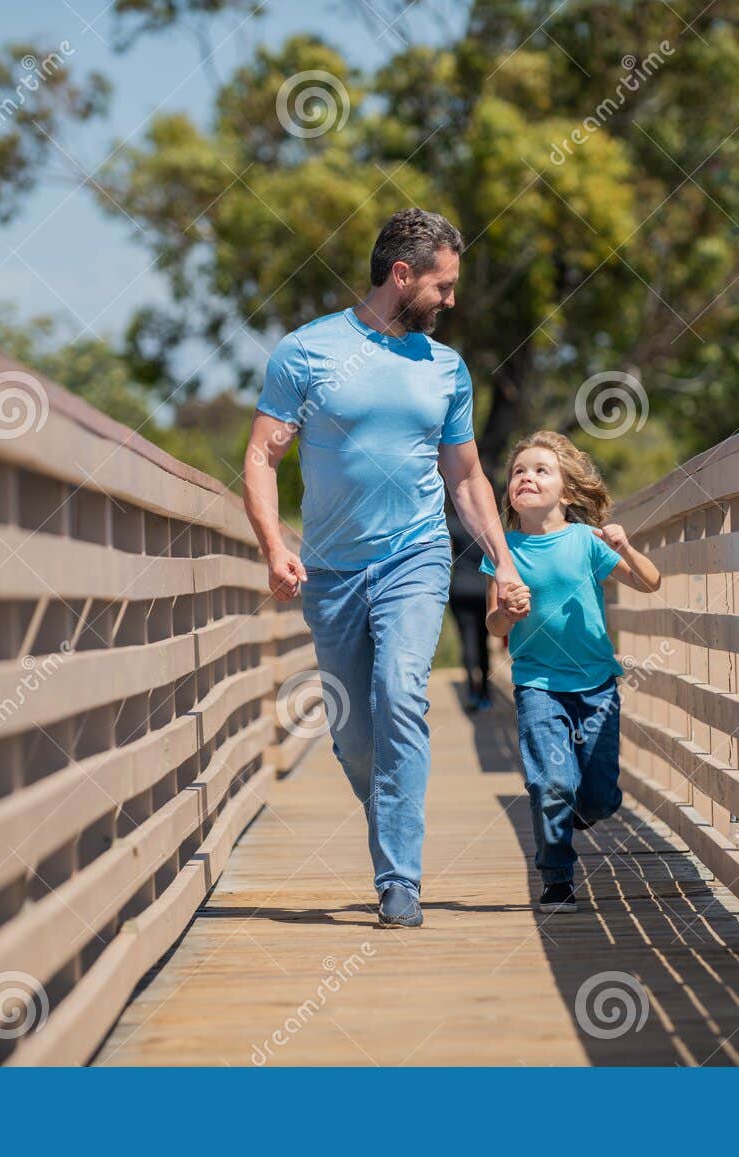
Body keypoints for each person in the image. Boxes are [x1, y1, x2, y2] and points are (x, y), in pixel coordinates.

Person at [243, 208, 528, 929]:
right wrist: (276, 546)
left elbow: (465, 478)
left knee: (402, 693)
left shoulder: (446, 369)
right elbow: (262, 456)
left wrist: (502, 560)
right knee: (354, 736)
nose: (452, 301)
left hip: (416, 556)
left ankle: (400, 878)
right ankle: (390, 817)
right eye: (444, 285)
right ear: (401, 276)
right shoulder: (306, 354)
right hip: (331, 570)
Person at [481, 431, 661, 915]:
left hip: (597, 685)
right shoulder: (503, 552)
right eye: (519, 471)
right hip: (538, 683)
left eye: (541, 470)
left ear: (566, 491)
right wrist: (509, 616)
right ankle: (557, 879)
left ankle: (580, 811)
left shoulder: (586, 541)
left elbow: (649, 582)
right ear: (510, 491)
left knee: (599, 800)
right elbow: (492, 620)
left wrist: (625, 547)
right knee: (551, 782)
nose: (527, 477)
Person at [446, 507, 493, 711]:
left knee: (467, 641)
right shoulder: (488, 525)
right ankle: (485, 692)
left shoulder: (453, 524)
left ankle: (472, 691)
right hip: (484, 590)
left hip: (460, 588)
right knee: (483, 642)